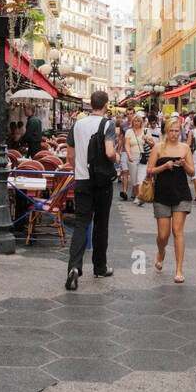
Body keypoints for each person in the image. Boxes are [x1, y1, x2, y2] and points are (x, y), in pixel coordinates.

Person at [65, 90, 117, 290]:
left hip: (82, 179)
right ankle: (99, 267)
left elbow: (70, 155)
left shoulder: (77, 124)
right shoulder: (107, 124)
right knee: (101, 223)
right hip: (102, 181)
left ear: (90, 104)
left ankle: (74, 267)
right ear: (105, 105)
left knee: (81, 223)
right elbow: (110, 151)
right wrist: (115, 159)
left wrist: (78, 166)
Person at [148, 116, 195, 283]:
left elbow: (192, 172)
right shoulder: (158, 148)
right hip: (162, 193)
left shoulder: (185, 148)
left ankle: (179, 270)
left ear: (180, 131)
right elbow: (150, 170)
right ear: (166, 132)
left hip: (181, 193)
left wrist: (183, 165)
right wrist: (164, 166)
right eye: (171, 131)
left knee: (177, 231)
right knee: (163, 235)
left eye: (177, 131)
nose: (174, 134)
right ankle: (161, 251)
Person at [125, 114, 147, 204]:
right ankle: (137, 195)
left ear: (141, 122)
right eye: (135, 121)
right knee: (134, 179)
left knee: (141, 178)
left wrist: (147, 139)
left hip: (143, 157)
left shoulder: (145, 131)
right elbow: (126, 144)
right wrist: (129, 155)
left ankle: (140, 197)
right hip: (132, 156)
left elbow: (152, 144)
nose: (136, 122)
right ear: (132, 122)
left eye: (138, 121)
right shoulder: (129, 132)